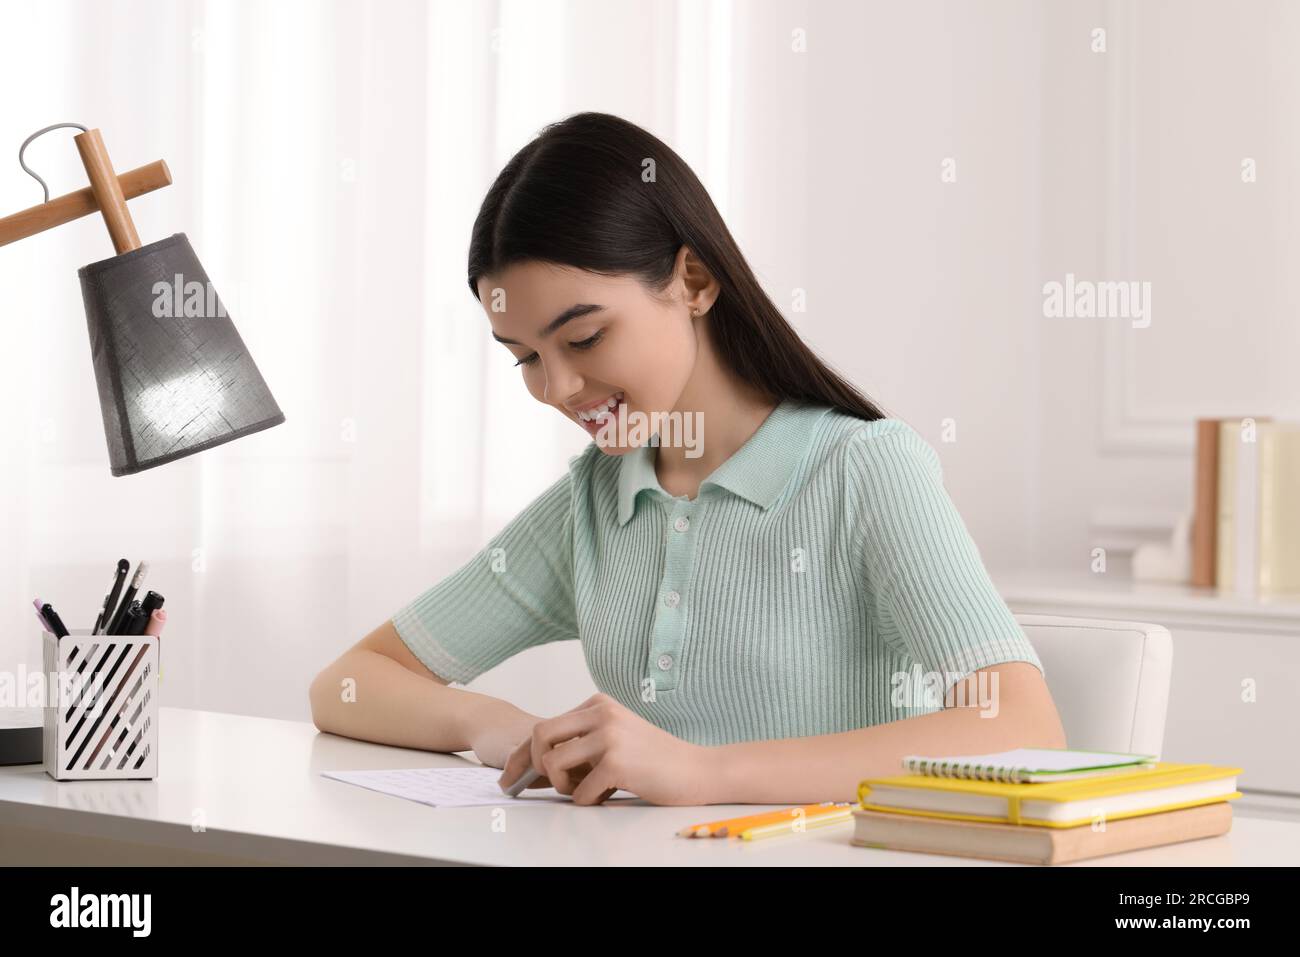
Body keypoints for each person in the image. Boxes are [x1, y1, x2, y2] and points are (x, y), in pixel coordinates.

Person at [309, 112, 1065, 806]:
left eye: (583, 339)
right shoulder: (601, 499)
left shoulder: (865, 470)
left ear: (693, 282)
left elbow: (1023, 728)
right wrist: (501, 727)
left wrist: (705, 773)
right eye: (525, 358)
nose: (558, 388)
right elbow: (347, 682)